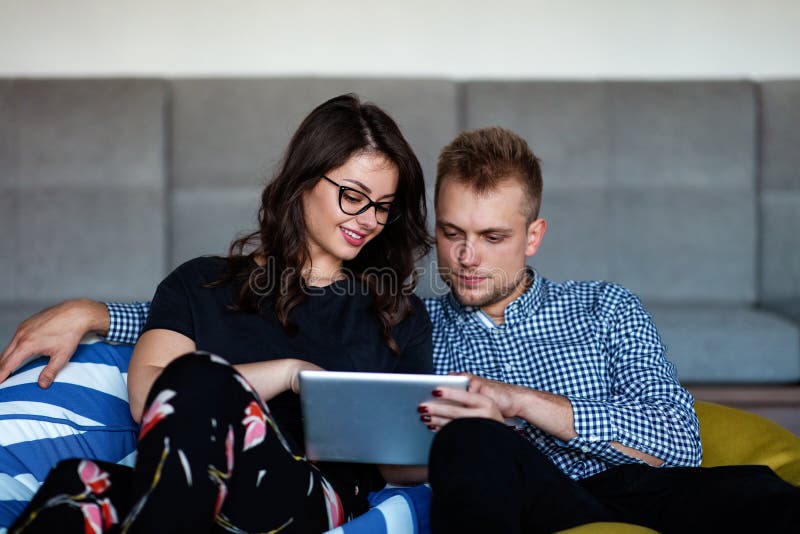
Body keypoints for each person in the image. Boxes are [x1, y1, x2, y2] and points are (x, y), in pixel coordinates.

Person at [3, 127, 799, 533]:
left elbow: (676, 437)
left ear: (534, 235)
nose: (466, 258)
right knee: (473, 446)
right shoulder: (413, 319)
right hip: (494, 483)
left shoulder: (605, 307)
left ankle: (104, 506)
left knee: (757, 491)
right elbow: (240, 308)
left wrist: (523, 403)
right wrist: (106, 313)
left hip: (603, 473)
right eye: (451, 233)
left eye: (491, 238)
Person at [4, 93, 434, 533]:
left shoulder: (397, 313)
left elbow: (404, 468)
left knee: (199, 379)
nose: (368, 219)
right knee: (75, 488)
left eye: (383, 206)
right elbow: (146, 394)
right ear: (304, 181)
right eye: (353, 196)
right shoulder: (199, 283)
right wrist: (288, 373)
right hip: (190, 489)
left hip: (309, 493)